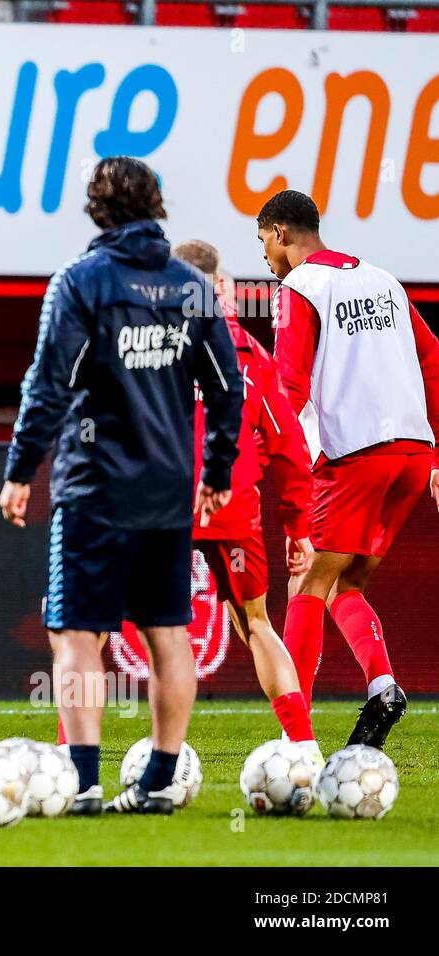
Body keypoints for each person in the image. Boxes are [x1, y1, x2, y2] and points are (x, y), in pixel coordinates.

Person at [0, 157, 243, 814]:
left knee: (77, 634)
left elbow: (48, 386)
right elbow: (228, 387)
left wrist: (21, 470)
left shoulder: (79, 282)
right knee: (167, 631)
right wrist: (217, 473)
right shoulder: (191, 285)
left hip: (94, 490)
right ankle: (162, 780)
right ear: (156, 205)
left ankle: (83, 781)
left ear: (96, 210)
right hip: (167, 488)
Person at [260, 189, 439, 748]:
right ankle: (383, 686)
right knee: (348, 582)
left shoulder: (299, 288)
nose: (264, 255)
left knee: (306, 581)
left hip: (355, 456)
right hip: (413, 454)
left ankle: (298, 735)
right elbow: (432, 357)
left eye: (263, 240)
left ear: (282, 233)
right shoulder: (384, 280)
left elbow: (289, 386)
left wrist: (267, 455)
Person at [173, 241, 320, 756]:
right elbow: (290, 450)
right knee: (256, 623)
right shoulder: (253, 360)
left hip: (155, 505)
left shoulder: (143, 347)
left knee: (96, 625)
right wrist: (297, 527)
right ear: (222, 289)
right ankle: (303, 748)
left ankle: (72, 760)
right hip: (231, 505)